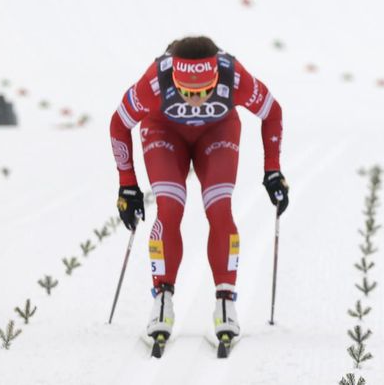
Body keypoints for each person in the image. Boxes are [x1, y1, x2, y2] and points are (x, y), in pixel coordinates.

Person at [110, 36, 289, 348]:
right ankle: (162, 299)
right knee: (169, 207)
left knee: (219, 209)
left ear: (217, 78)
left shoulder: (235, 76)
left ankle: (225, 302)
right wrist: (127, 184)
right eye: (188, 92)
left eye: (205, 91)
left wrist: (272, 170)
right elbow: (118, 123)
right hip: (165, 131)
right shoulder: (154, 83)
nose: (196, 99)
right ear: (174, 80)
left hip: (216, 132)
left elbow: (272, 112)